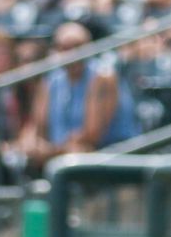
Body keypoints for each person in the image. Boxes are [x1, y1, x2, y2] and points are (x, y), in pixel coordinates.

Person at [20, 22, 139, 169]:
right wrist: (33, 144)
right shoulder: (51, 81)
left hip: (111, 159)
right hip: (62, 157)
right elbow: (36, 126)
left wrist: (50, 151)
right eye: (64, 48)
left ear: (89, 47)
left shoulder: (103, 77)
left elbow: (91, 135)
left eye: (77, 46)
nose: (71, 54)